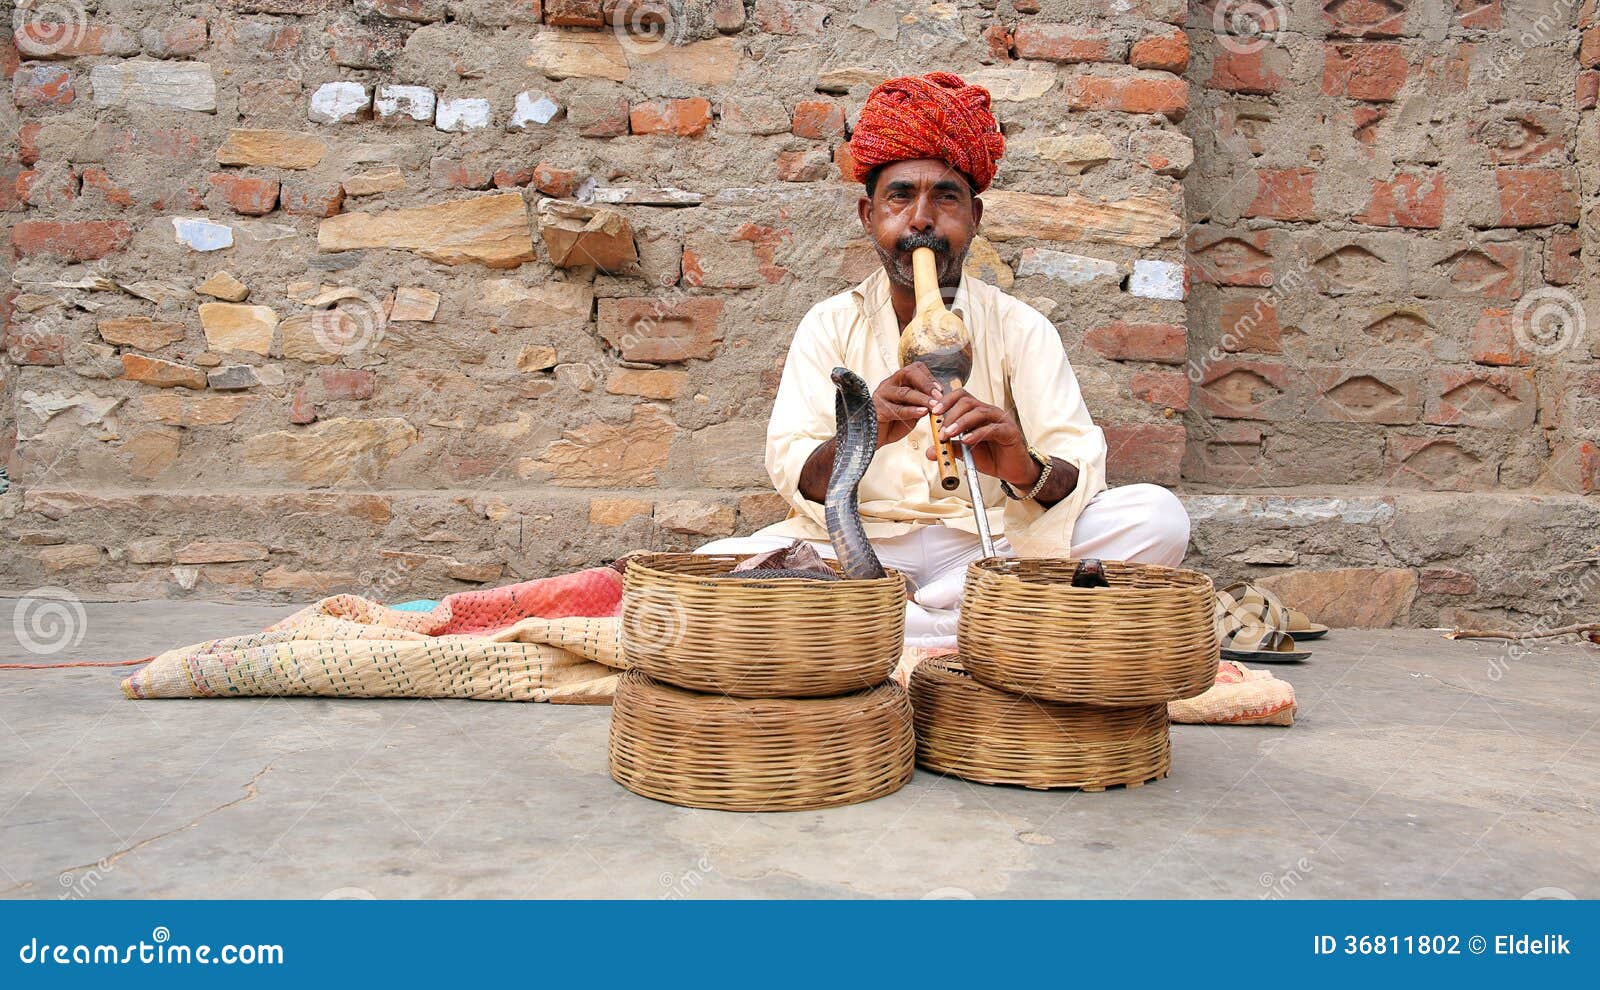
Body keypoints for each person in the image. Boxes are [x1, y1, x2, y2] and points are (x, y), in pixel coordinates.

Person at [694, 71, 1189, 648]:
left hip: (986, 543)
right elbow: (796, 474)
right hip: (859, 545)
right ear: (868, 215)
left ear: (974, 218)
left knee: (1157, 519)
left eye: (945, 197)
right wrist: (866, 429)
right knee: (716, 569)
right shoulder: (828, 324)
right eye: (900, 196)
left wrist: (1019, 464)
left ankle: (901, 627)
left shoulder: (1021, 326)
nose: (922, 219)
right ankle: (975, 628)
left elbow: (1081, 470)